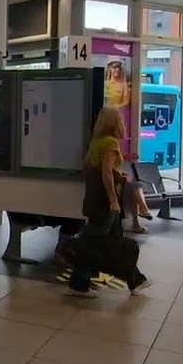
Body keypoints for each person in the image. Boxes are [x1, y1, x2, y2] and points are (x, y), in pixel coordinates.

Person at [65, 106, 150, 298]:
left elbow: (89, 168)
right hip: (105, 200)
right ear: (115, 122)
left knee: (107, 240)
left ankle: (134, 280)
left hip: (93, 198)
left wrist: (117, 169)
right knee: (98, 243)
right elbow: (106, 173)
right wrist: (113, 199)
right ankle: (80, 284)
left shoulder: (97, 142)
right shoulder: (111, 142)